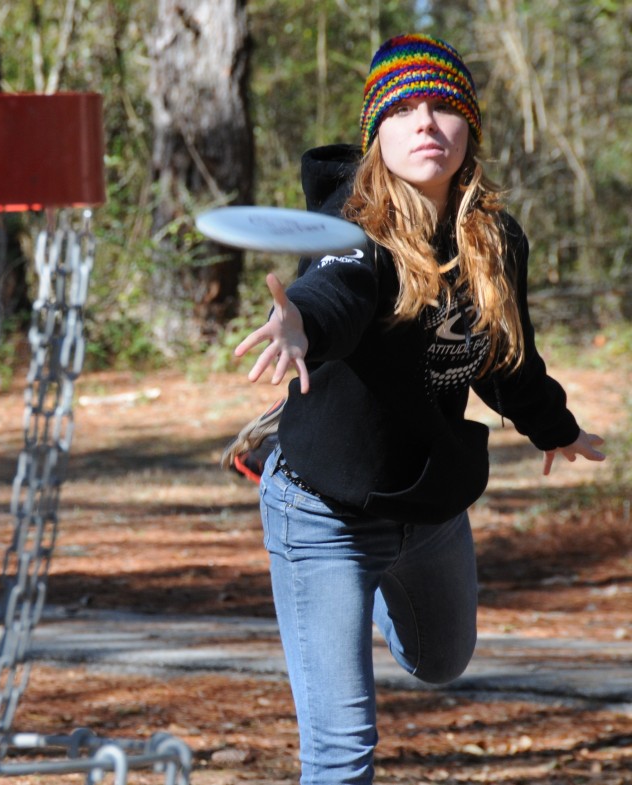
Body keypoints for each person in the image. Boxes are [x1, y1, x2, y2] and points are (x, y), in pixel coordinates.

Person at [232, 33, 606, 785]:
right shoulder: (351, 227)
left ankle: (367, 593)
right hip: (325, 512)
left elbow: (503, 358)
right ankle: (338, 589)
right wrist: (300, 324)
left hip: (429, 506)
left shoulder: (496, 239)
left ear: (470, 129)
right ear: (377, 133)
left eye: (443, 107)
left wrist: (555, 427)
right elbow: (335, 289)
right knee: (341, 752)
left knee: (441, 661)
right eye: (403, 110)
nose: (426, 123)